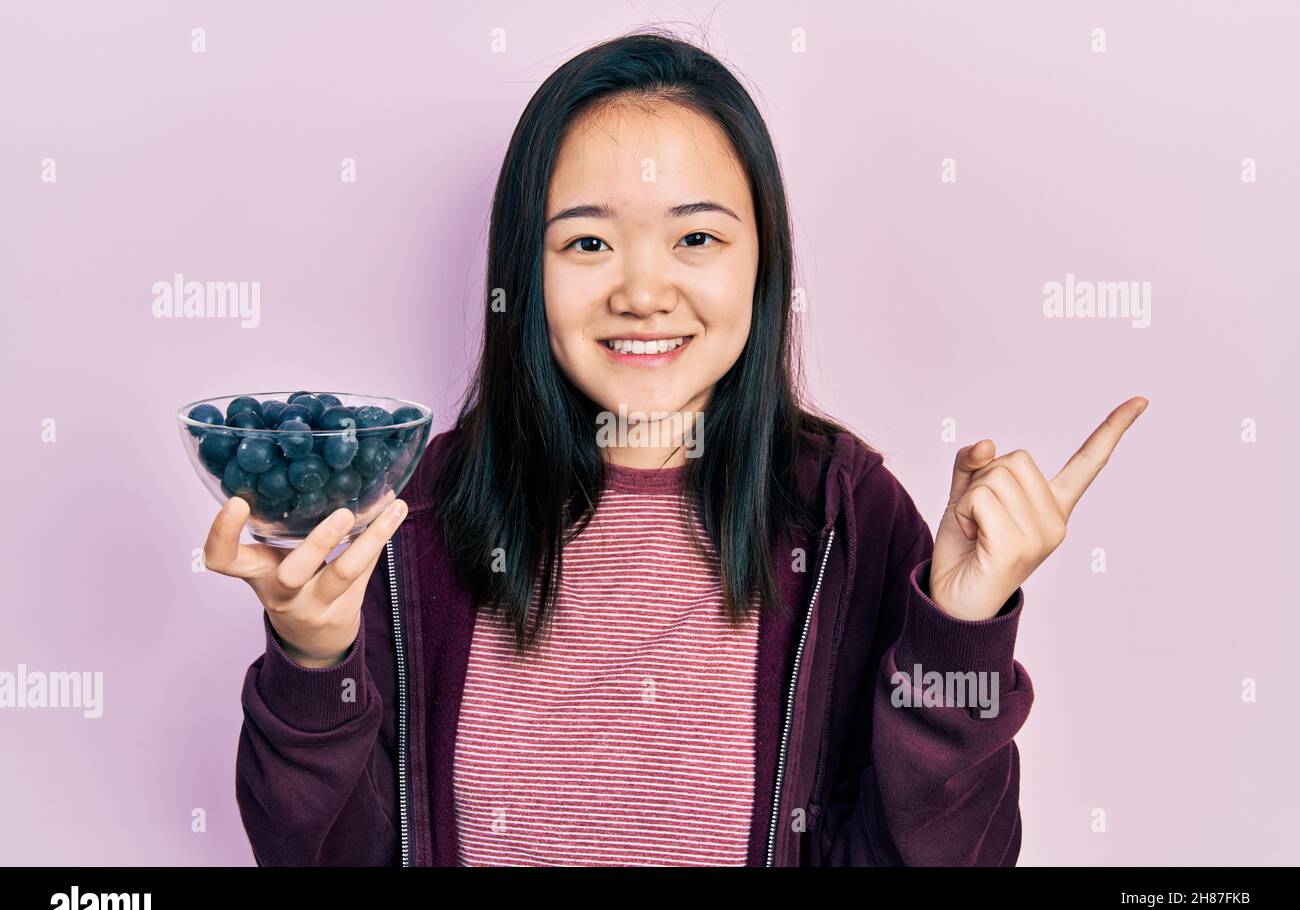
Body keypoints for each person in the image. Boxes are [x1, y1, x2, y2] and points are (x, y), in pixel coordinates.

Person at [204, 30, 1146, 866]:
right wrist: (311, 655)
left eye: (696, 236)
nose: (644, 291)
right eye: (586, 245)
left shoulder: (848, 513)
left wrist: (960, 625)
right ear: (520, 273)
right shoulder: (416, 513)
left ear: (761, 262)